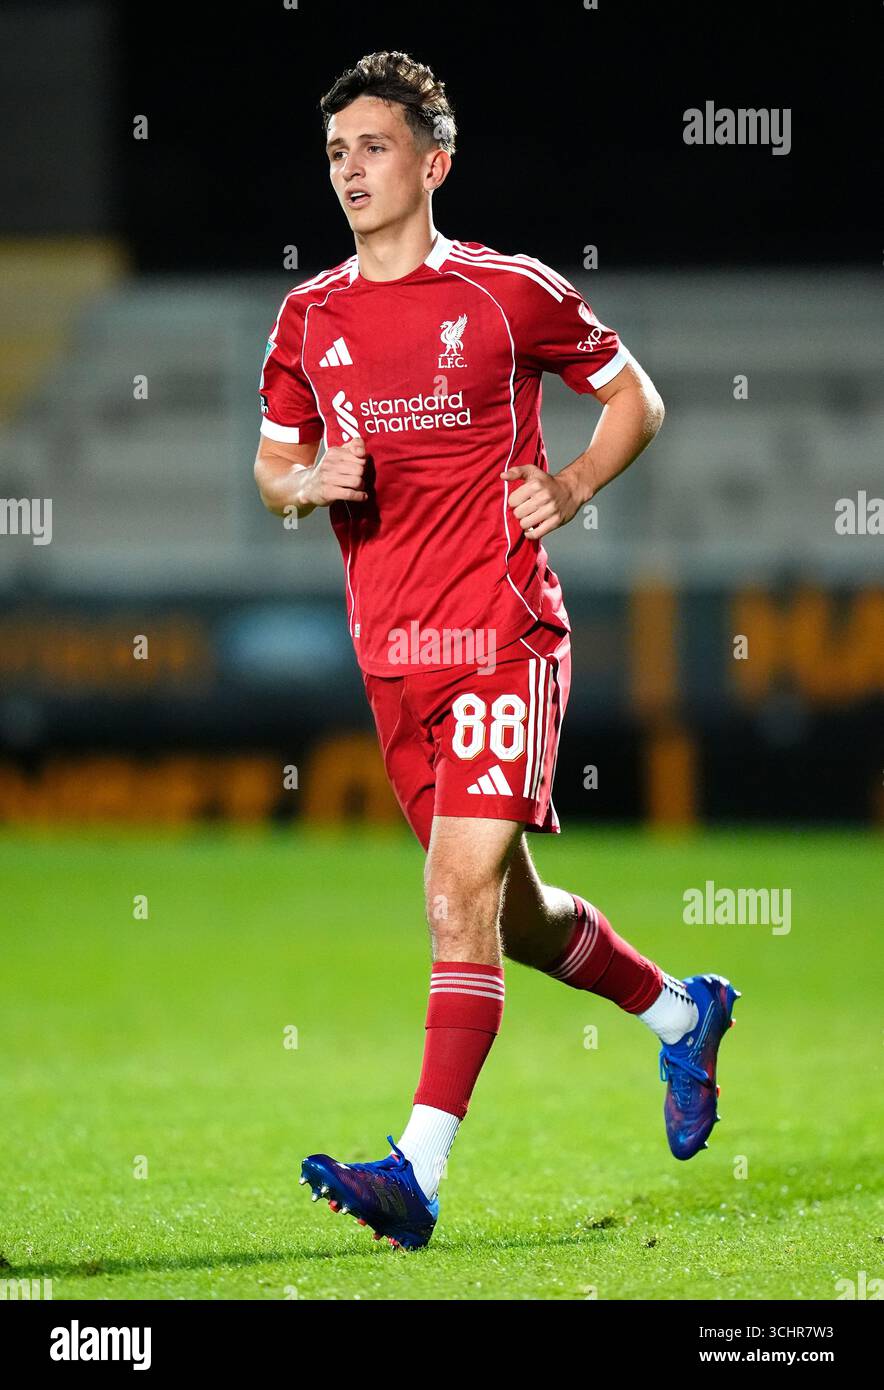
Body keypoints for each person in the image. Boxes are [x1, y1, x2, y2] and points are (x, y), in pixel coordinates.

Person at [253, 50, 739, 1251]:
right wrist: (310, 479)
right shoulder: (308, 316)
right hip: (392, 657)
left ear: (433, 160)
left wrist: (568, 484)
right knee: (507, 916)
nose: (350, 171)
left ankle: (415, 1171)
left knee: (451, 891)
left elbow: (639, 398)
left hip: (500, 633)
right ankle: (683, 1016)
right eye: (334, 153)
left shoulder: (505, 294)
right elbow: (269, 470)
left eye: (371, 147)